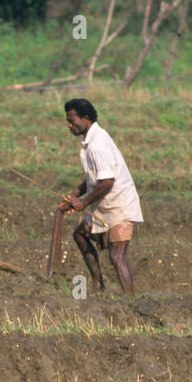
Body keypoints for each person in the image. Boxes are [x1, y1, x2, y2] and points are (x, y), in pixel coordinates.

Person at [58, 98, 141, 294]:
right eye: (67, 121)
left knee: (117, 256)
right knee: (80, 234)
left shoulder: (97, 145)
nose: (69, 125)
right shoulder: (88, 141)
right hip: (104, 205)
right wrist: (75, 195)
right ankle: (98, 285)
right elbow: (93, 178)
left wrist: (84, 202)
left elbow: (107, 182)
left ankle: (131, 303)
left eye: (72, 121)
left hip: (119, 205)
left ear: (85, 118)